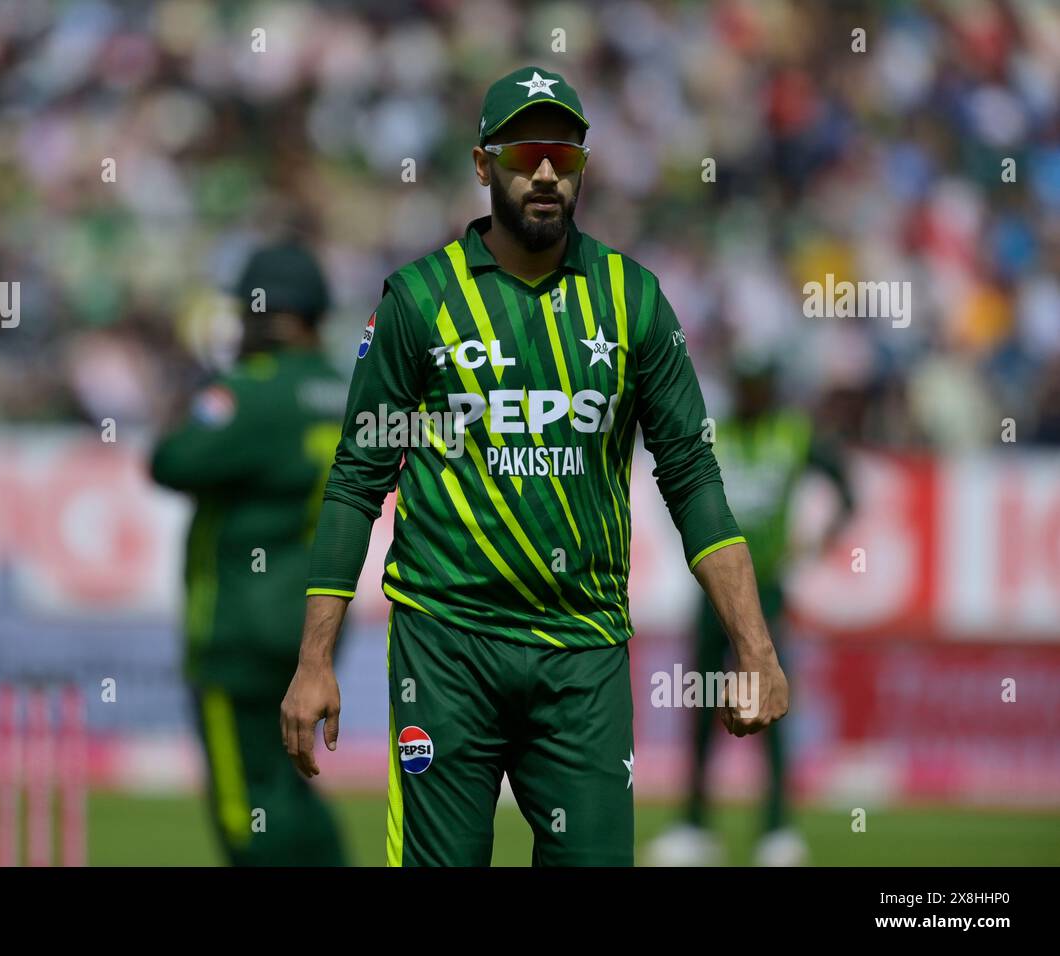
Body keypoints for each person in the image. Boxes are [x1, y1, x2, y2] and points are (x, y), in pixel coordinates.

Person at [280, 65, 788, 866]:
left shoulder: (634, 300)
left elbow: (691, 475)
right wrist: (314, 662)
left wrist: (753, 646)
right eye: (524, 154)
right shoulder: (418, 300)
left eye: (564, 153)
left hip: (581, 653)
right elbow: (355, 480)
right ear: (484, 166)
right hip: (446, 646)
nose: (546, 172)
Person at [150, 240, 348, 866]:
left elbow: (170, 461)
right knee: (292, 783)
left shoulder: (251, 392)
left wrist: (207, 384)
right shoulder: (347, 392)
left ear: (273, 316)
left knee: (246, 811)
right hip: (315, 630)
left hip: (238, 629)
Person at [648, 358, 854, 866]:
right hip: (714, 586)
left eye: (758, 384)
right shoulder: (714, 430)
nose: (750, 393)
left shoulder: (793, 432)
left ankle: (777, 829)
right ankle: (695, 826)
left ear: (771, 387)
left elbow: (847, 490)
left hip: (768, 587)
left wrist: (819, 539)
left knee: (774, 707)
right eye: (744, 384)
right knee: (700, 707)